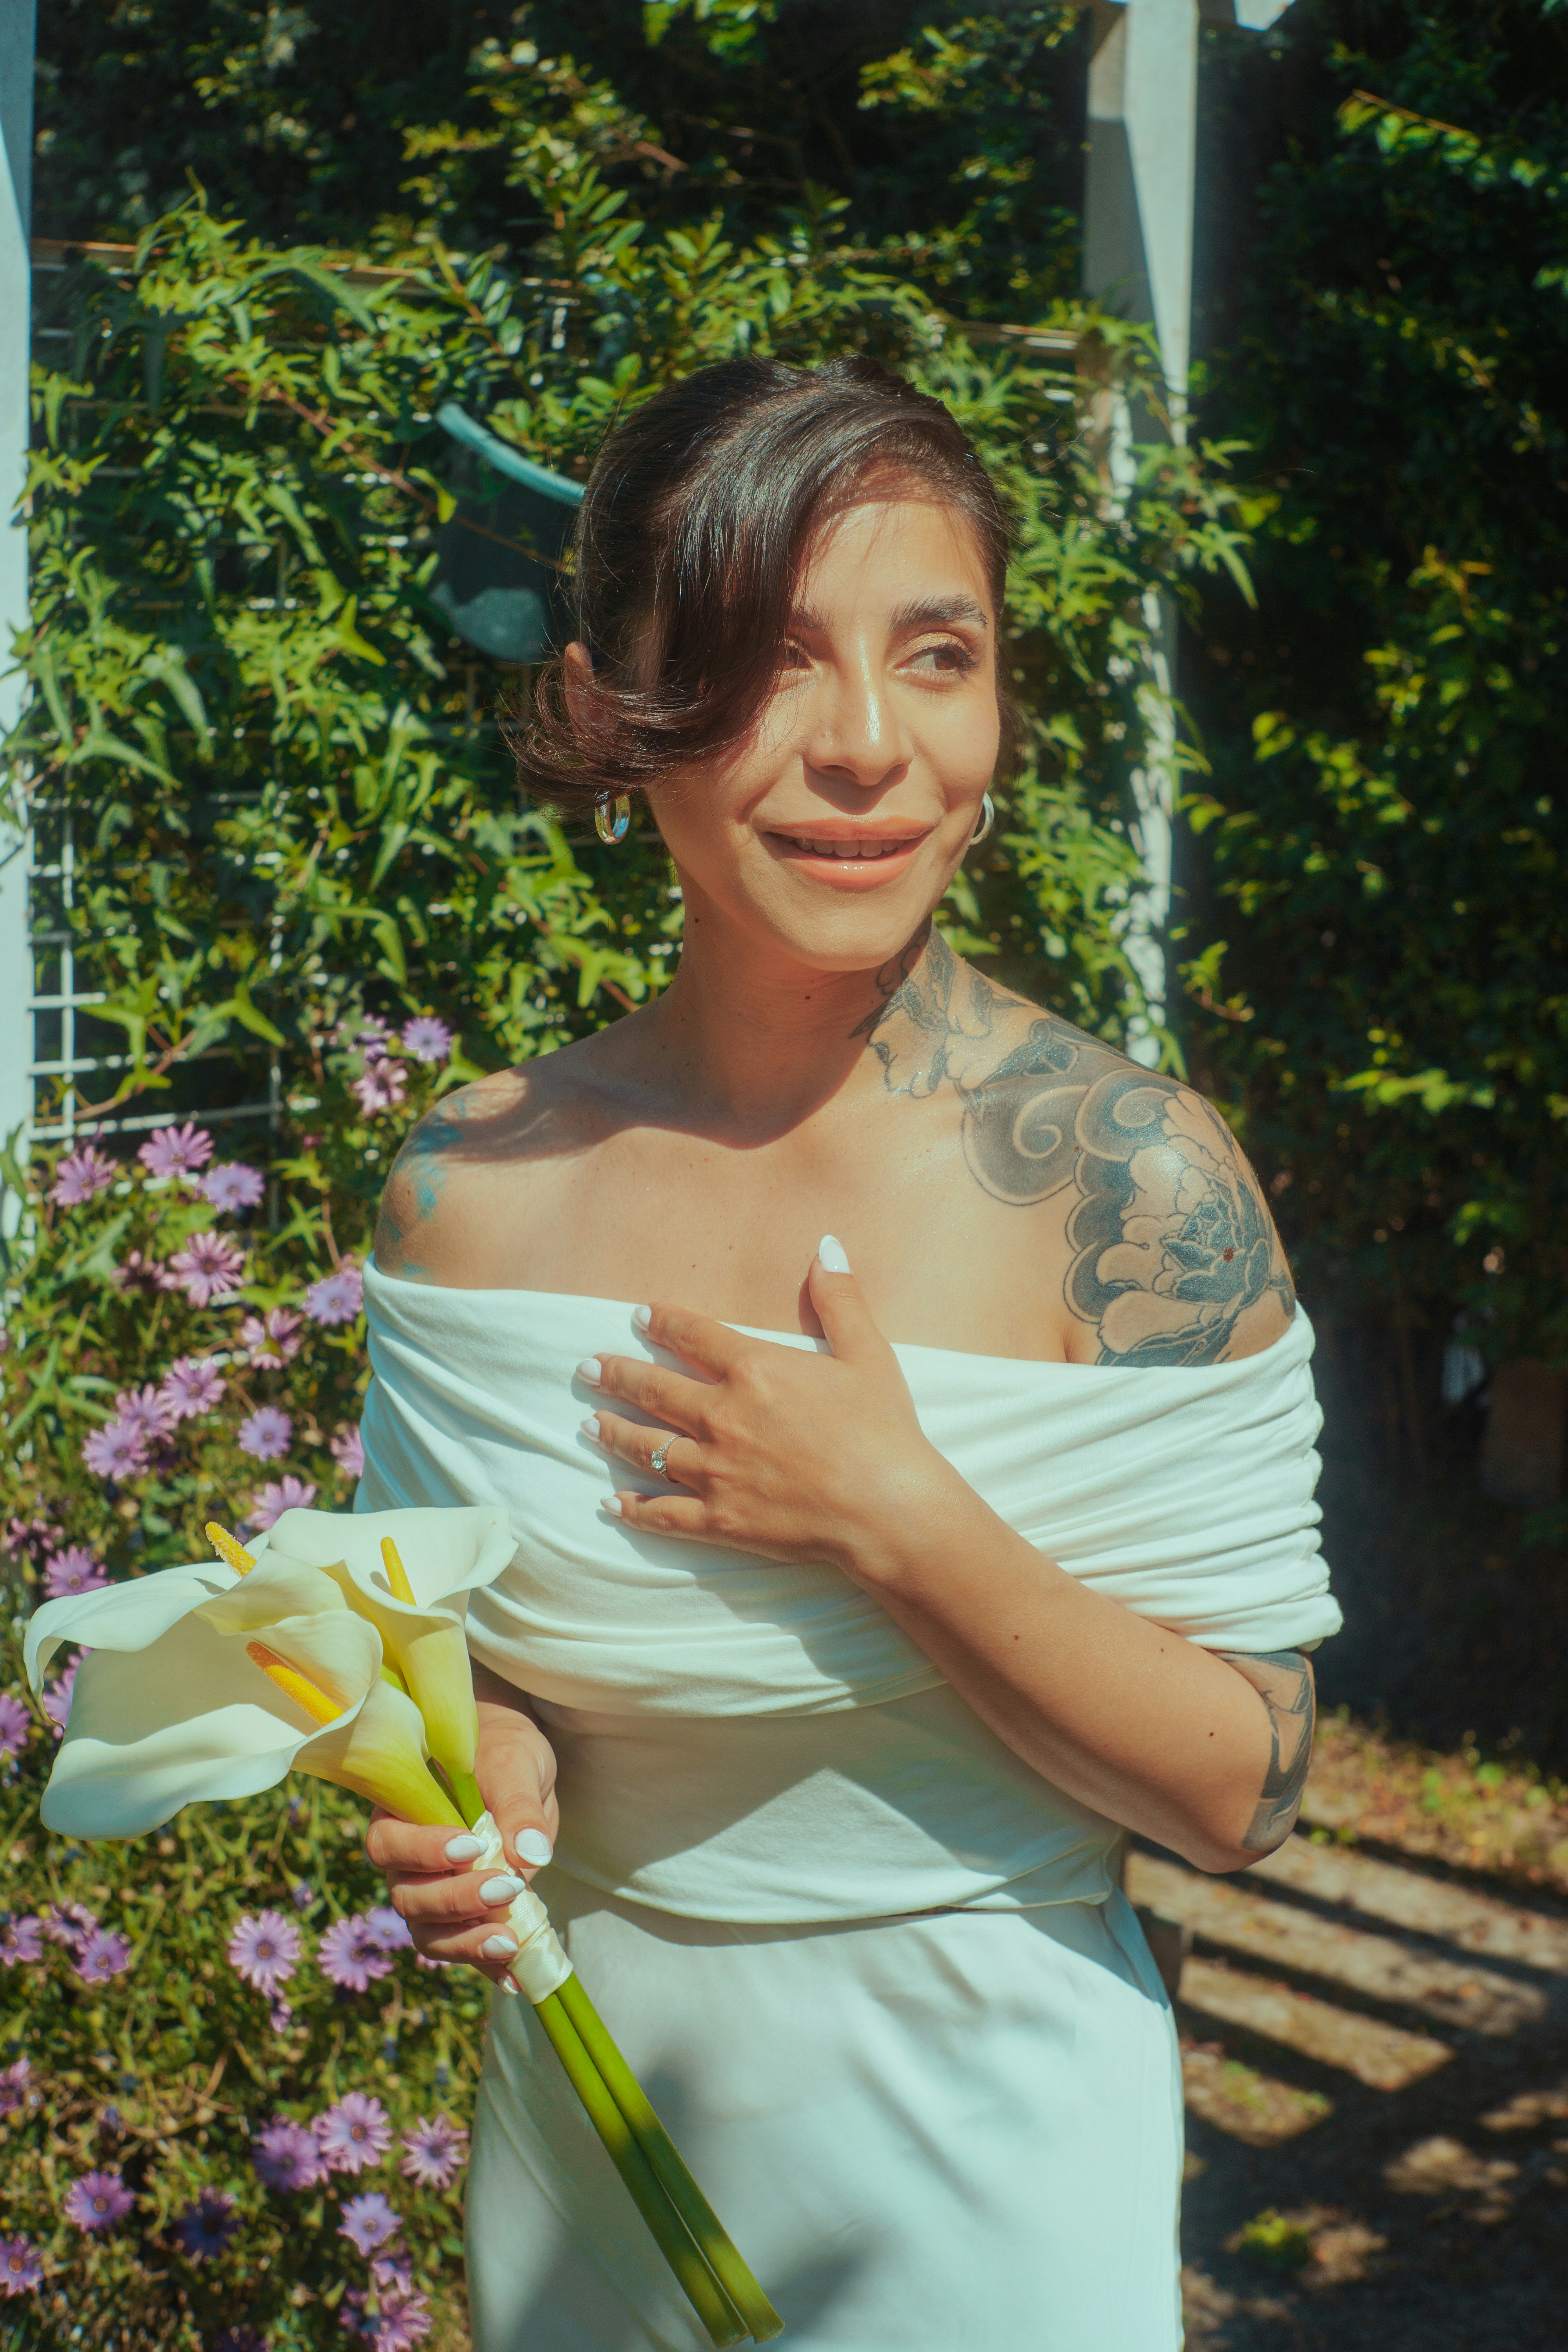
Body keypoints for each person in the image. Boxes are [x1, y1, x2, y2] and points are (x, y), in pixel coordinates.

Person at [361, 355, 1338, 2352]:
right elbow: (465, 1656)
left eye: (936, 655)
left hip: (981, 2179)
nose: (871, 747)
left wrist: (898, 1519)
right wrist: (493, 1772)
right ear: (607, 707)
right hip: (590, 2168)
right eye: (773, 662)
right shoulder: (467, 1190)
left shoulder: (1128, 1189)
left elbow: (1249, 1787)